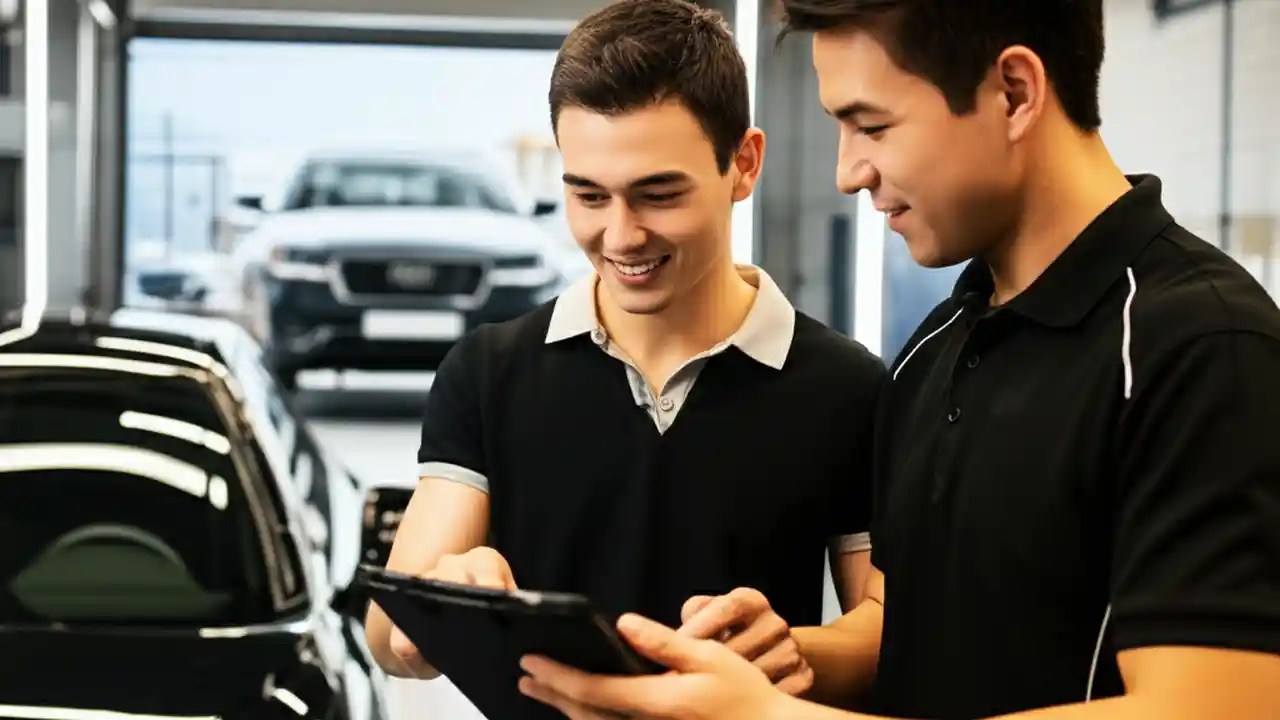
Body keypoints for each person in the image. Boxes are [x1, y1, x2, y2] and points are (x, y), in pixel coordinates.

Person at [516, 1, 1280, 718]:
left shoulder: (1202, 349)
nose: (848, 171)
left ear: (1014, 92)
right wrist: (775, 661)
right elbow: (913, 645)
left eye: (871, 125)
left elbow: (1212, 707)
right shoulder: (930, 353)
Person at [363, 0, 887, 715]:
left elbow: (891, 635)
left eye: (659, 194)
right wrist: (449, 598)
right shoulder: (490, 372)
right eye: (589, 195)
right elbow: (388, 636)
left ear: (743, 164)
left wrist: (797, 652)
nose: (622, 235)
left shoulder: (848, 388)